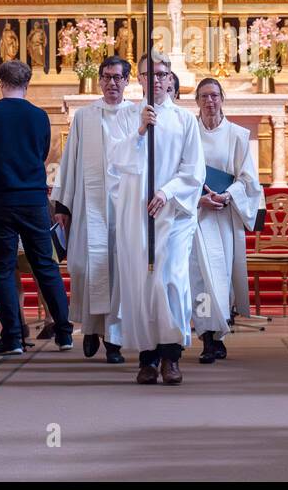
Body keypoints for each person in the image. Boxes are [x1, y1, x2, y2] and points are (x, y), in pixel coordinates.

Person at [0, 60, 73, 355]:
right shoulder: (39, 116)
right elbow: (43, 151)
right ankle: (64, 332)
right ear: (28, 83)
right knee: (45, 266)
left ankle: (12, 339)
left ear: (0, 82)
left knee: (3, 269)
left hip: (0, 200)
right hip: (34, 199)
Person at [108, 52, 204, 385]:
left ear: (170, 79)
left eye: (162, 75)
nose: (157, 81)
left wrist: (167, 191)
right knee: (142, 283)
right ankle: (147, 358)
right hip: (136, 212)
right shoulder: (127, 116)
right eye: (150, 74)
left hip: (173, 213)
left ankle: (171, 356)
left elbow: (194, 169)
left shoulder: (184, 120)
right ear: (140, 79)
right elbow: (115, 159)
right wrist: (138, 131)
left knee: (171, 281)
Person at [52, 56, 137, 363]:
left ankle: (113, 341)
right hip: (91, 205)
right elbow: (70, 160)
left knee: (118, 273)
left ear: (128, 81)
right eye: (107, 77)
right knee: (87, 267)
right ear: (99, 80)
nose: (112, 83)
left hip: (127, 206)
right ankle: (91, 327)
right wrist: (63, 204)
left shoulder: (137, 114)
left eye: (117, 77)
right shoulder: (85, 117)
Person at [190, 78, 263, 364]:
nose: (210, 102)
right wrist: (199, 197)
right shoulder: (189, 132)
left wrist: (228, 195)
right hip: (197, 214)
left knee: (221, 278)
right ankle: (207, 336)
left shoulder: (237, 135)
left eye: (214, 96)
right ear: (197, 101)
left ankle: (219, 334)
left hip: (224, 215)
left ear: (223, 99)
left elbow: (248, 179)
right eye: (204, 96)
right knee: (200, 278)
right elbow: (178, 172)